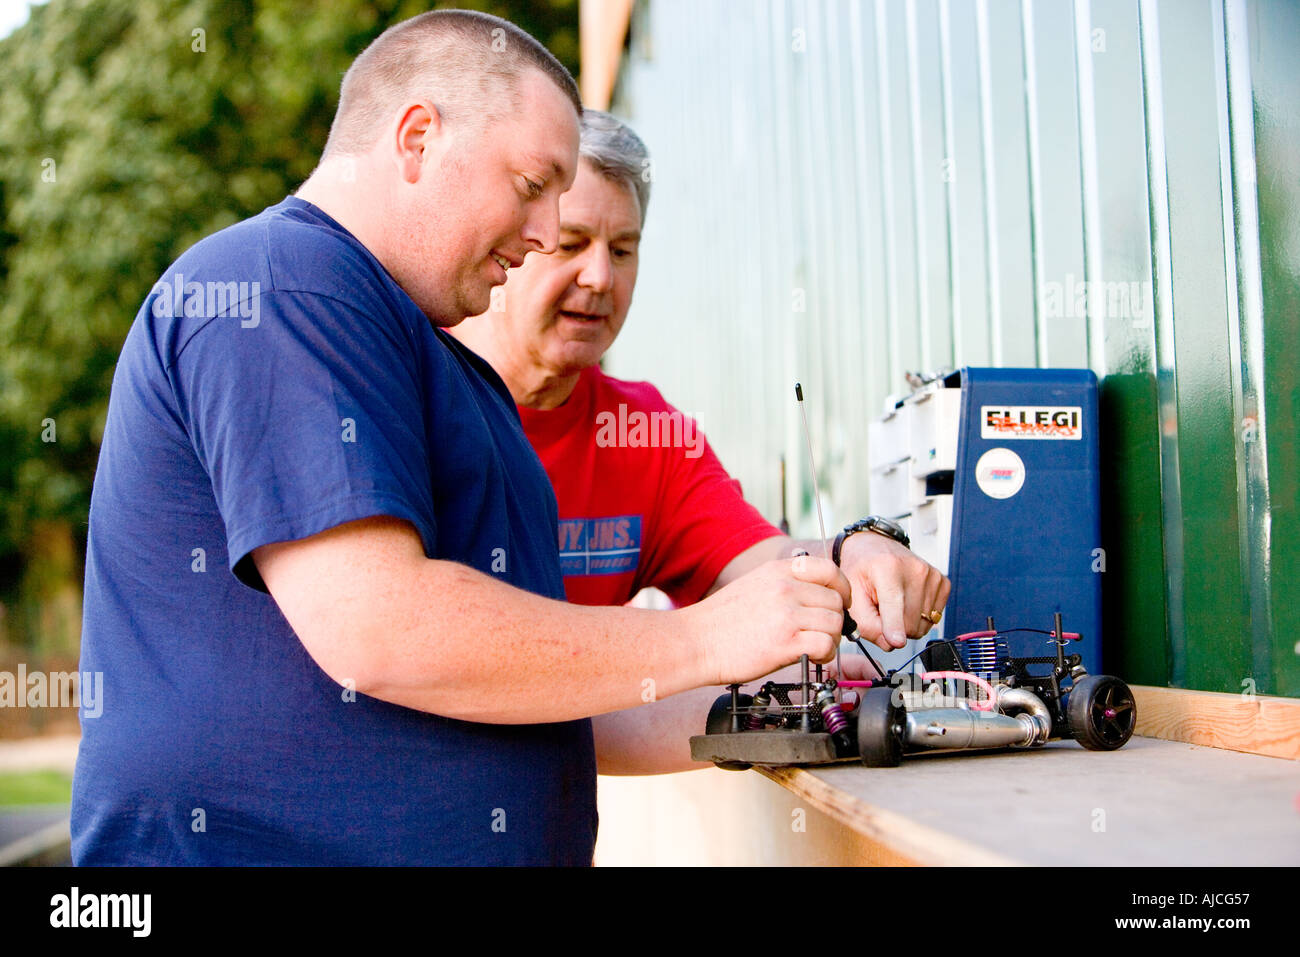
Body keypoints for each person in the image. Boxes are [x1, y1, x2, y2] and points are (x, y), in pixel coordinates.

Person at [72, 11, 853, 866]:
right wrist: (707, 637)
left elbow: (538, 690)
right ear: (417, 138)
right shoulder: (288, 287)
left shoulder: (429, 362)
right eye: (531, 186)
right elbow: (381, 627)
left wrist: (808, 710)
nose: (548, 235)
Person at [449, 111, 951, 772]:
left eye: (623, 249)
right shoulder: (414, 398)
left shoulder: (644, 432)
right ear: (509, 245)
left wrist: (850, 552)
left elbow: (761, 560)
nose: (601, 277)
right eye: (571, 243)